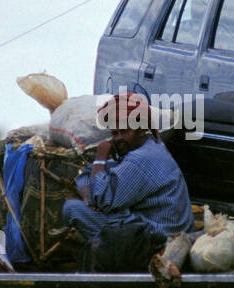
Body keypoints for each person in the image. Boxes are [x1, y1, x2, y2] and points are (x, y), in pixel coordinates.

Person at [62, 93, 194, 272]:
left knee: (72, 209)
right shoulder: (143, 149)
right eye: (115, 133)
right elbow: (86, 176)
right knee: (85, 205)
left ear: (140, 131)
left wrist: (100, 158)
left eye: (125, 132)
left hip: (158, 238)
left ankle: (107, 256)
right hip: (147, 227)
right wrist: (87, 196)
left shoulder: (141, 159)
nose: (118, 138)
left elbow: (102, 198)